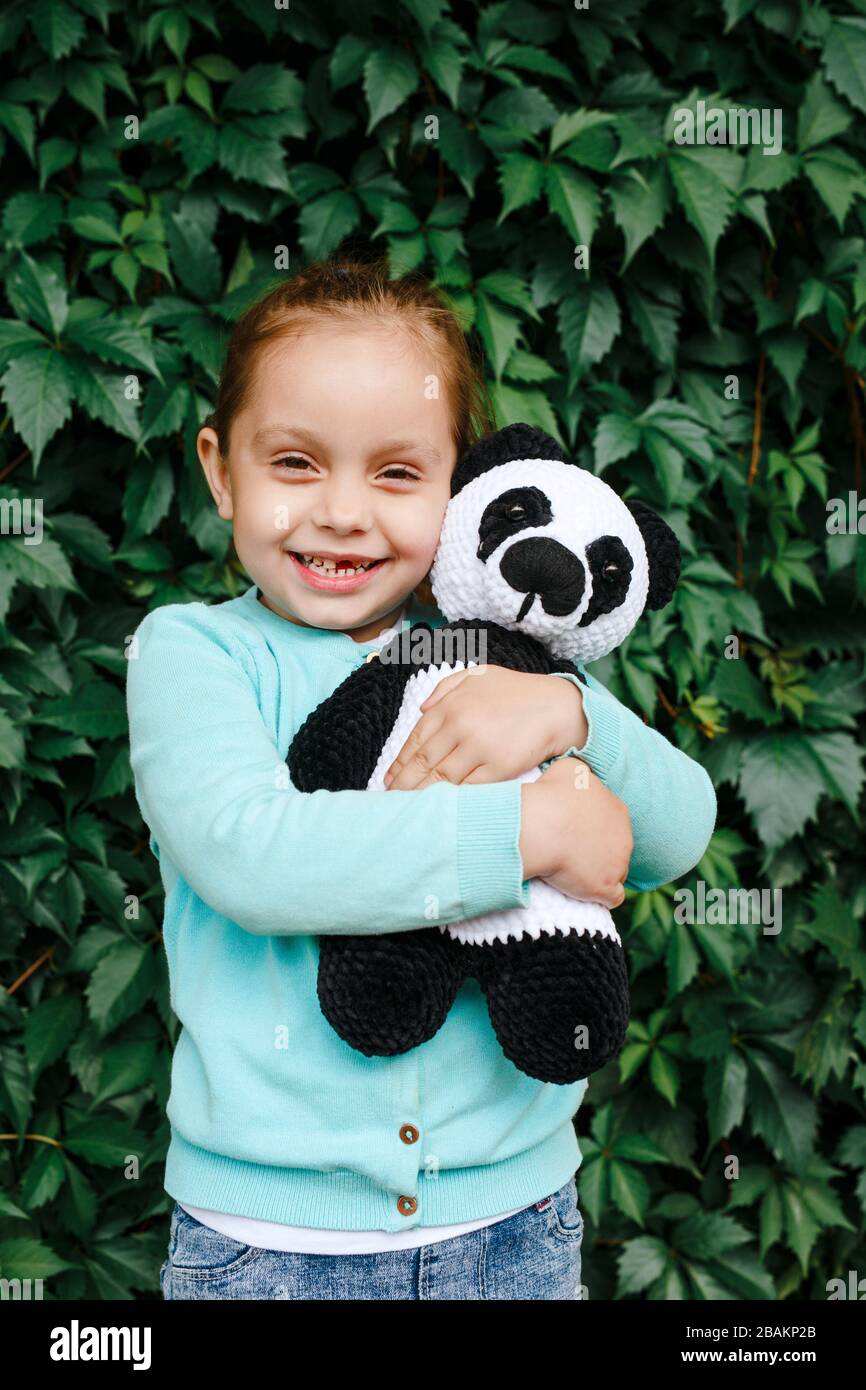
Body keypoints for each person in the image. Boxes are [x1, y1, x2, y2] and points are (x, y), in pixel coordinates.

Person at [126, 258, 716, 1300]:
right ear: (220, 469)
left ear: (459, 490)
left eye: (397, 473)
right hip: (270, 1247)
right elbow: (253, 853)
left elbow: (677, 827)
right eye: (296, 463)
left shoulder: (507, 673)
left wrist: (572, 711)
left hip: (512, 1230)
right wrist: (526, 833)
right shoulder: (195, 654)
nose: (343, 513)